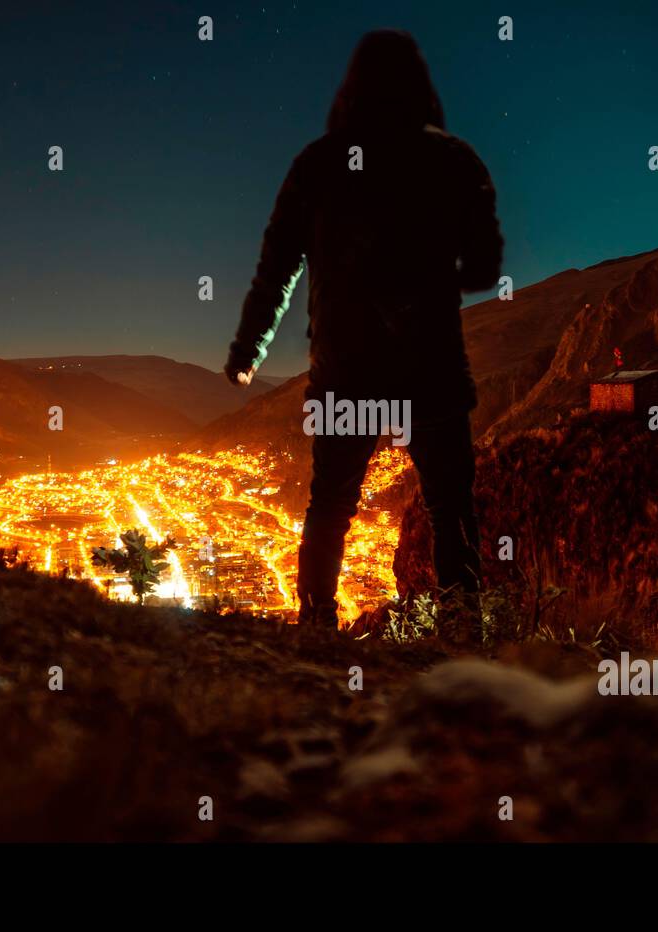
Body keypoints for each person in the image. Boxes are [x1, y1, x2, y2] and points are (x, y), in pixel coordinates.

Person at [224, 29, 503, 640]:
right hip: (430, 369)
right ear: (421, 88)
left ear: (351, 90)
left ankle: (318, 625)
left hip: (346, 372)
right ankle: (461, 629)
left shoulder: (316, 167)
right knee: (450, 503)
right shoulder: (454, 161)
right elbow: (484, 266)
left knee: (331, 506)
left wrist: (249, 350)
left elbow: (276, 269)